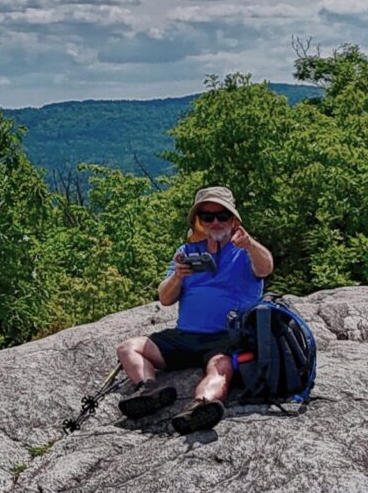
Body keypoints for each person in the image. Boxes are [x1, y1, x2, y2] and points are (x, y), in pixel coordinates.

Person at [114, 184, 274, 433]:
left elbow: (266, 268)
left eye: (222, 215)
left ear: (233, 220)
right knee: (129, 348)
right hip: (185, 335)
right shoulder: (186, 252)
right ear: (199, 222)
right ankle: (150, 389)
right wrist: (178, 276)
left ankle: (201, 406)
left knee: (220, 369)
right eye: (207, 217)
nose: (215, 222)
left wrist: (251, 244)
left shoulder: (245, 251)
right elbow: (165, 298)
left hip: (225, 337)